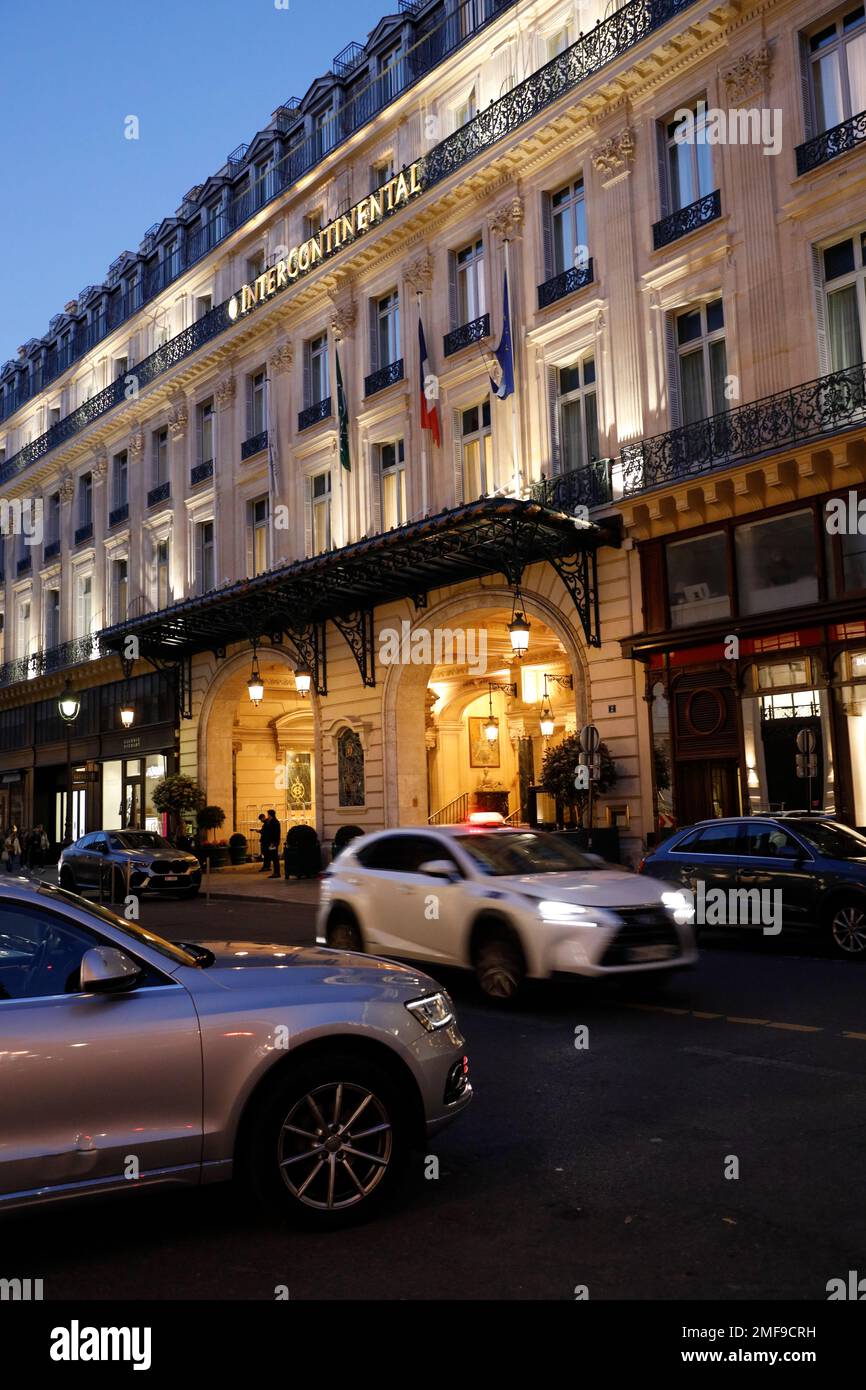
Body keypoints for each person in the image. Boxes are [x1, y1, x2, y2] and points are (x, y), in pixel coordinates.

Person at [262, 809, 281, 879]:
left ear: (270, 814)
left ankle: (277, 873)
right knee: (273, 857)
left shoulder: (275, 822)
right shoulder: (270, 821)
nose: (267, 816)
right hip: (271, 842)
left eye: (268, 814)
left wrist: (273, 843)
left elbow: (275, 833)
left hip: (273, 843)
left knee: (274, 857)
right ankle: (275, 872)